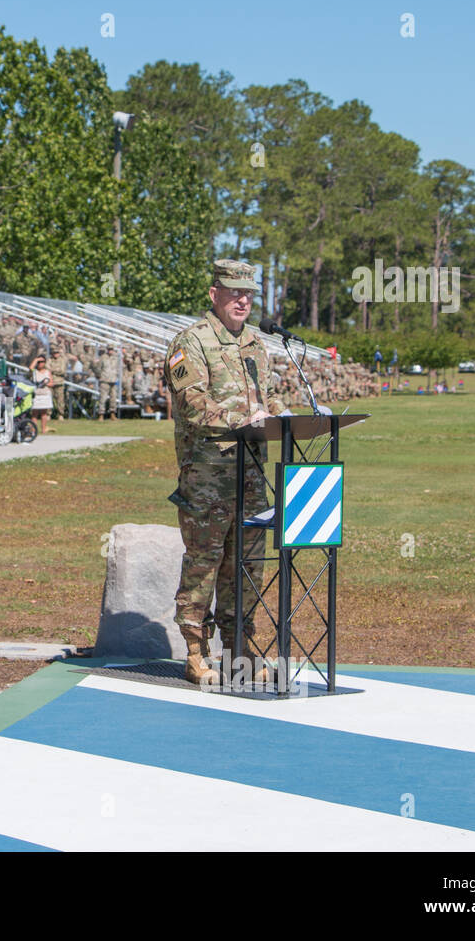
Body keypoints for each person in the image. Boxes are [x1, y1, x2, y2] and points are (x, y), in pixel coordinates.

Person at [165, 259, 286, 687]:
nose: (242, 300)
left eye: (249, 293)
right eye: (234, 292)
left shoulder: (256, 343)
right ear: (214, 294)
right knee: (205, 565)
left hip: (252, 478)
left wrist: (281, 415)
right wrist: (245, 414)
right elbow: (192, 403)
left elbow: (268, 399)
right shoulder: (190, 342)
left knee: (248, 567)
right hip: (209, 479)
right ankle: (196, 652)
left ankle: (240, 649)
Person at [30, 355, 53, 436]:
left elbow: (51, 383)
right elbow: (30, 368)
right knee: (34, 413)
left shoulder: (47, 372)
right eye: (39, 362)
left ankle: (43, 429)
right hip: (36, 395)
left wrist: (45, 383)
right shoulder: (34, 372)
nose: (40, 363)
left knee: (44, 413)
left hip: (45, 394)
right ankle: (33, 430)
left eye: (42, 362)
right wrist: (36, 359)